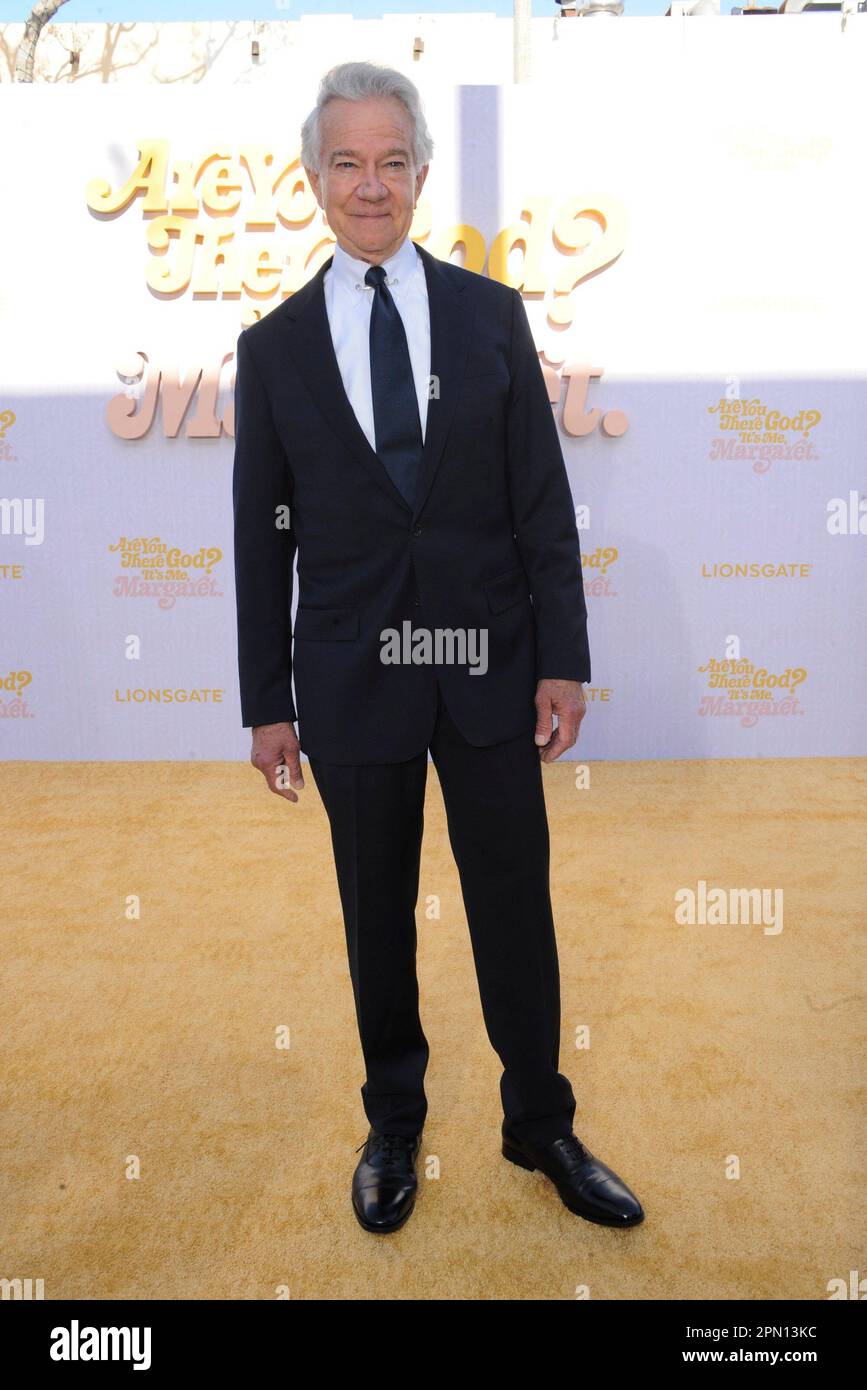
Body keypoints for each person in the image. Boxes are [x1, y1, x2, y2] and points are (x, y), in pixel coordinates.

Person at [232, 60, 644, 1235]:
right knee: (375, 918)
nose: (372, 184)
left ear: (420, 173)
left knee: (516, 900)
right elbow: (263, 543)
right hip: (354, 680)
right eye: (347, 162)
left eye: (392, 160)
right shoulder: (272, 350)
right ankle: (395, 1124)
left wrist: (561, 658)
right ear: (314, 180)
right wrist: (270, 700)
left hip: (489, 669)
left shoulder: (487, 314)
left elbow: (541, 501)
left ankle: (541, 1123)